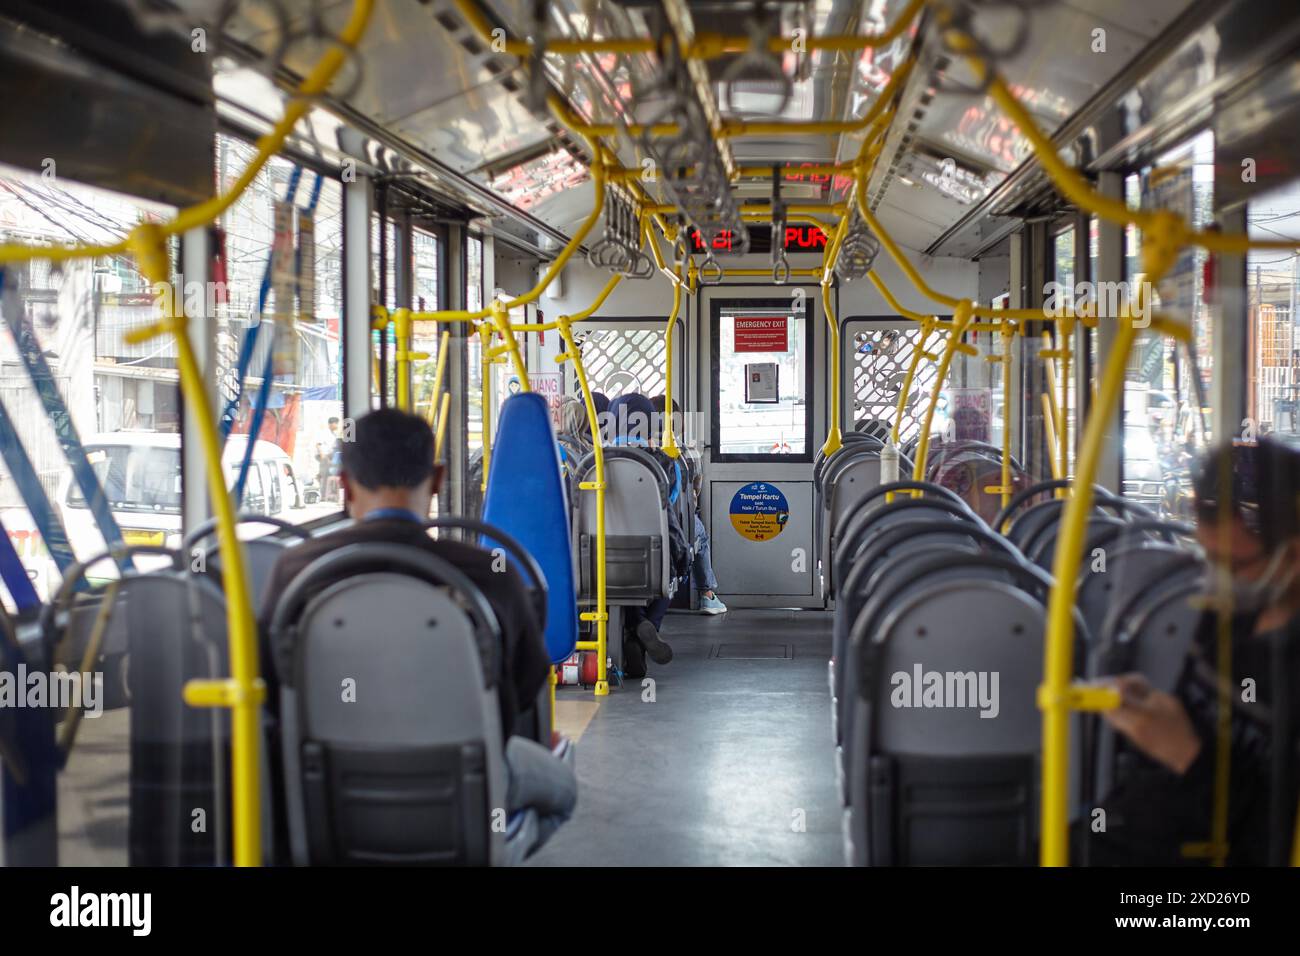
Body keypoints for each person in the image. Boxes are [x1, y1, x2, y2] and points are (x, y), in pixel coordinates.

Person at [259, 408, 576, 858]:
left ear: (344, 484)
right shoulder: (489, 577)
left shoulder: (294, 573)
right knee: (562, 784)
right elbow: (524, 695)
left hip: (327, 798)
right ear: (439, 478)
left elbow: (268, 688)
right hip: (464, 791)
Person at [1089, 437, 1300, 866]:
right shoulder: (1228, 618)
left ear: (1293, 555)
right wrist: (1153, 711)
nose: (1219, 578)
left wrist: (1187, 755)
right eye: (1209, 558)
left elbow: (1269, 834)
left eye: (1235, 565)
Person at [607, 392, 689, 667]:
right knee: (668, 575)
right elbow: (670, 507)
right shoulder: (666, 464)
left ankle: (637, 628)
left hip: (600, 559)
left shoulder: (593, 463)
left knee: (618, 576)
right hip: (652, 557)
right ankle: (648, 624)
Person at [650, 393, 726, 614]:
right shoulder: (688, 453)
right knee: (699, 534)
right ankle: (706, 593)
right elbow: (695, 490)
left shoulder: (633, 452)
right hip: (680, 521)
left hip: (640, 521)